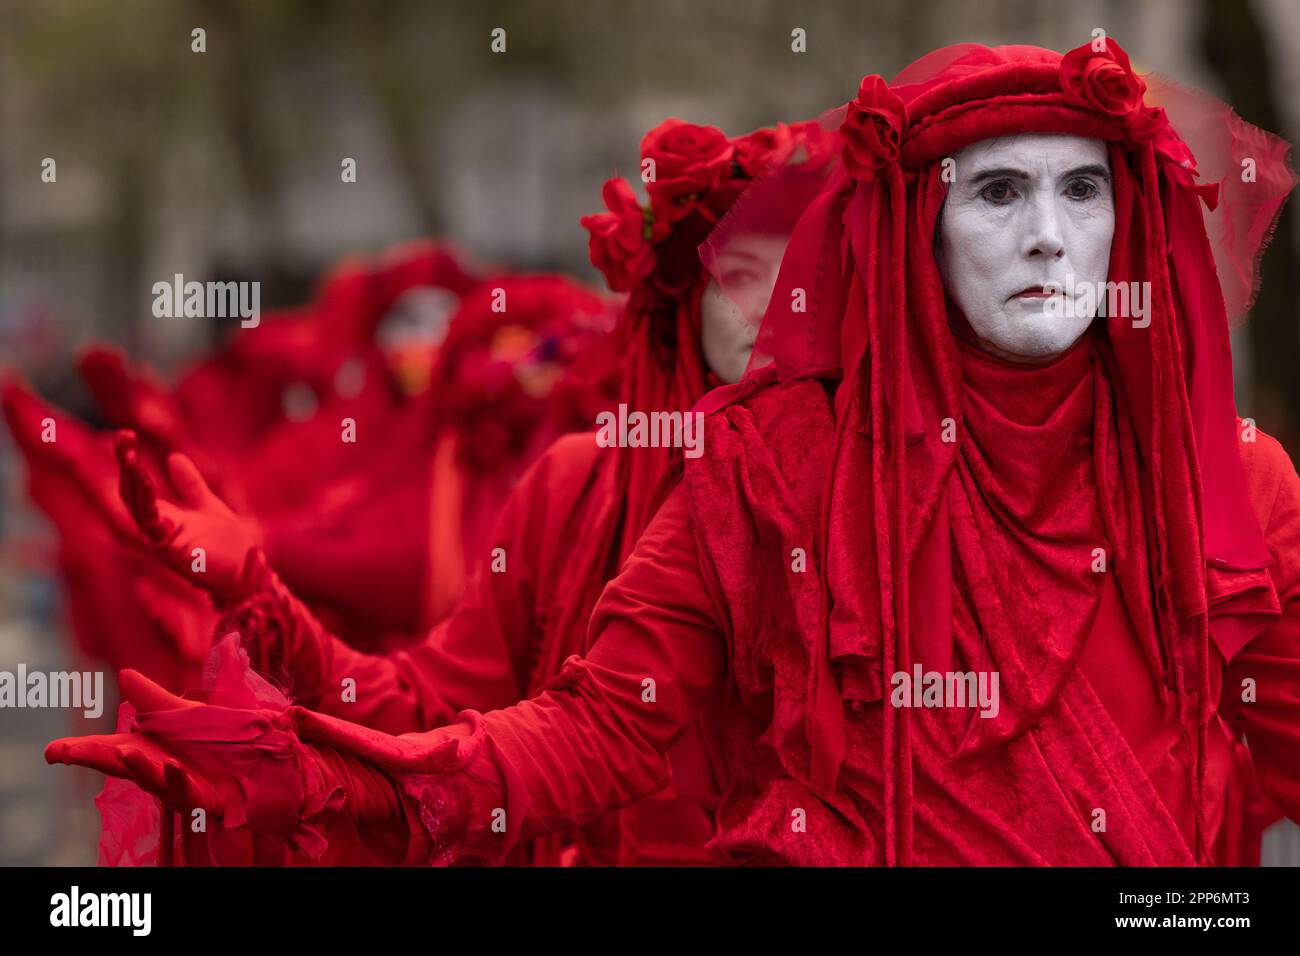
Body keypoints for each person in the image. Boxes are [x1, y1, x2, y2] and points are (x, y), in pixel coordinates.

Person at [48, 38, 1300, 867]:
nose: (1045, 238)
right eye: (995, 193)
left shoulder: (1232, 481)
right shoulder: (753, 472)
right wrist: (323, 765)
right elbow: (574, 732)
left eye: (1081, 190)